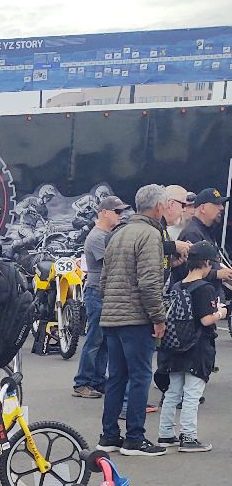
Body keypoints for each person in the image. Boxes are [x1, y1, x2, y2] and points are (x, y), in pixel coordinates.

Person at [98, 183, 168, 457]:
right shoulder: (150, 234)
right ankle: (135, 439)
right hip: (136, 319)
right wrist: (158, 317)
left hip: (112, 317)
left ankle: (109, 436)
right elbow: (149, 283)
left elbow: (103, 281)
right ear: (158, 206)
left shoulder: (118, 233)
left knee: (116, 377)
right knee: (140, 377)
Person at [156, 241, 226, 452]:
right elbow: (205, 320)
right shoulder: (205, 288)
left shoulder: (177, 286)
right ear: (207, 263)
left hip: (175, 345)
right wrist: (221, 312)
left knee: (172, 392)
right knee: (192, 394)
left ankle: (165, 434)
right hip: (197, 347)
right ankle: (188, 436)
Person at [74, 195, 129, 398]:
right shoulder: (97, 237)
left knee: (104, 339)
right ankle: (82, 382)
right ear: (104, 212)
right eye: (117, 211)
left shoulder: (105, 235)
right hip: (97, 291)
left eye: (122, 211)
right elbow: (112, 262)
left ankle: (97, 380)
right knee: (95, 339)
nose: (121, 215)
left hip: (102, 291)